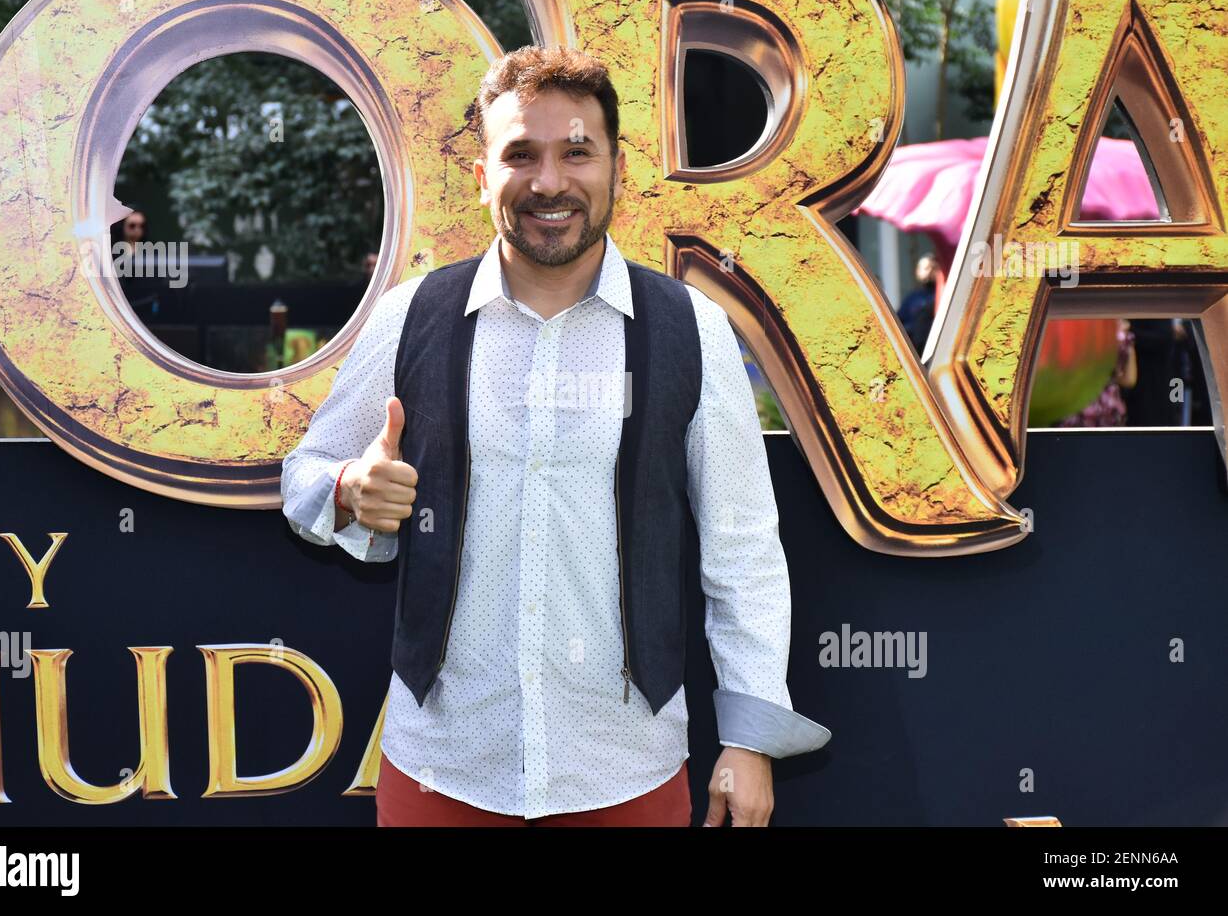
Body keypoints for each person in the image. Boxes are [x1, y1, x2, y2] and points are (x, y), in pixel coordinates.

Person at [280, 46, 829, 827]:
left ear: (616, 168)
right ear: (481, 177)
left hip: (626, 775)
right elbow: (302, 475)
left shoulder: (690, 331)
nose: (549, 182)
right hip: (443, 774)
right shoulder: (411, 318)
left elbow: (740, 549)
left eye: (577, 152)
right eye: (521, 155)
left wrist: (750, 739)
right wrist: (346, 490)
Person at [897, 253, 942, 356]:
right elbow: (899, 323)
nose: (930, 272)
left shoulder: (944, 295)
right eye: (926, 268)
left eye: (933, 268)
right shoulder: (913, 298)